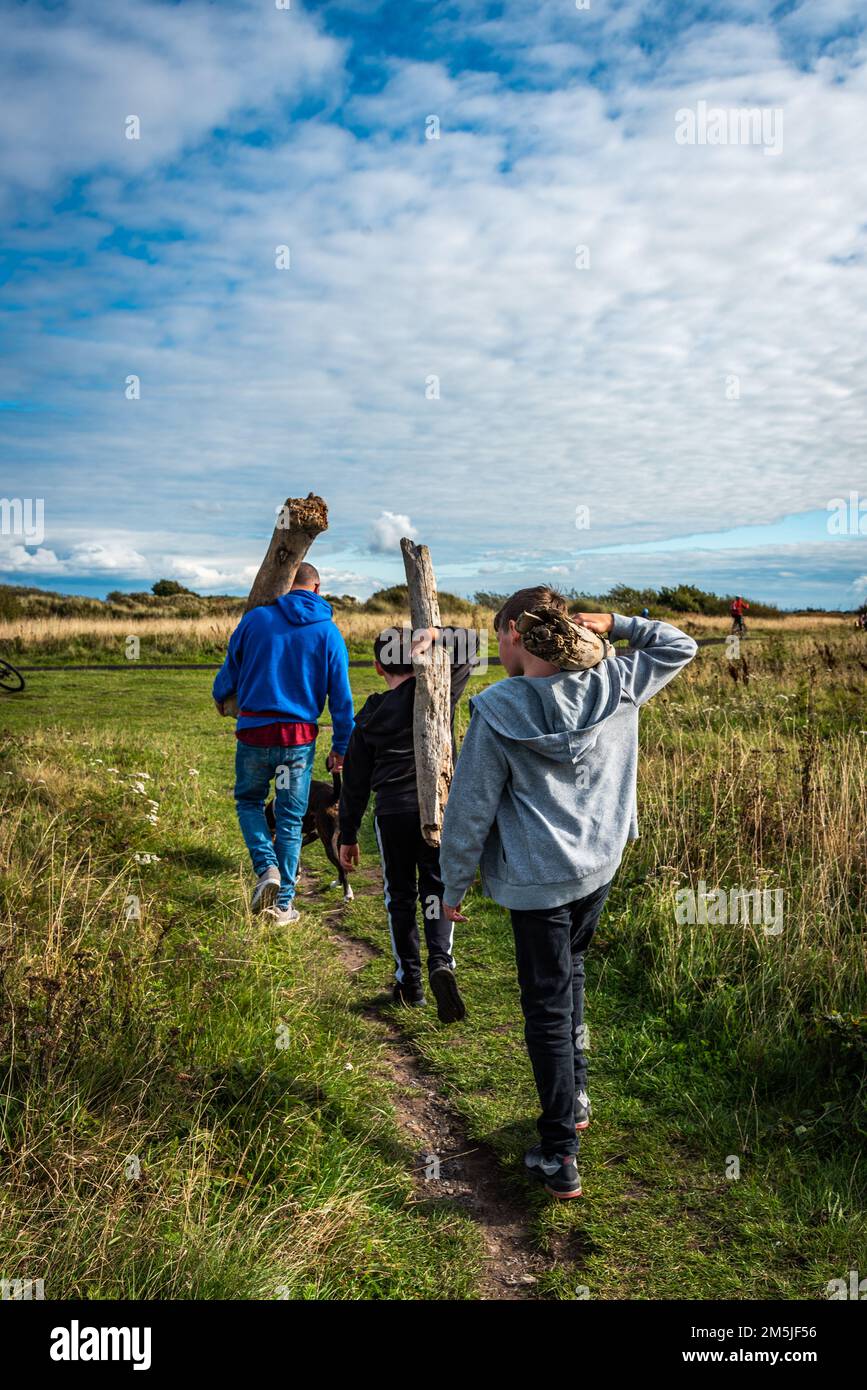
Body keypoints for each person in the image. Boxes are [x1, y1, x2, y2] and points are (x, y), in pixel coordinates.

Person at [438, 587, 697, 1198]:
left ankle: (559, 1150)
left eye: (497, 635)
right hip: (599, 867)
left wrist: (452, 886)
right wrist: (616, 622)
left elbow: (469, 811)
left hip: (537, 882)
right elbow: (679, 643)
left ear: (512, 633)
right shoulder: (620, 680)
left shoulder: (498, 709)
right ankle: (575, 1096)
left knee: (546, 1007)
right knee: (570, 973)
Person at [338, 625, 477, 1022]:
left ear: (380, 668)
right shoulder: (437, 695)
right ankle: (440, 962)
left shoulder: (369, 716)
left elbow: (355, 784)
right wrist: (436, 635)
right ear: (418, 659)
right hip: (435, 811)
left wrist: (347, 835)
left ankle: (409, 983)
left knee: (399, 895)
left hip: (392, 814)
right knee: (436, 888)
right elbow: (471, 645)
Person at [212, 563, 354, 925]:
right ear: (318, 588)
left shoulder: (256, 620)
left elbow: (230, 668)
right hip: (297, 741)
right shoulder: (328, 632)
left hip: (255, 734)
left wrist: (220, 694)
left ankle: (266, 869)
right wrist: (341, 745)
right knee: (290, 819)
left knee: (249, 802)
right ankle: (284, 907)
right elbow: (341, 698)